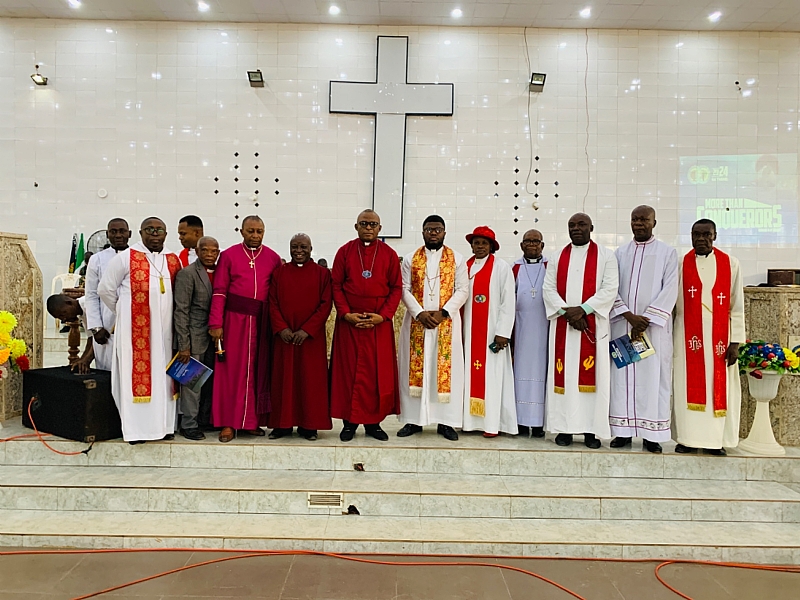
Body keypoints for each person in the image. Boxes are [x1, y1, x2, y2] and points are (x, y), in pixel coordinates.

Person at [98, 217, 182, 444]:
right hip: (136, 334)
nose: (155, 234)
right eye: (150, 230)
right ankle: (137, 432)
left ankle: (165, 427)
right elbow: (105, 290)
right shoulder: (126, 258)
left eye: (160, 230)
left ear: (166, 233)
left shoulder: (173, 259)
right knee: (135, 377)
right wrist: (125, 311)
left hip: (166, 334)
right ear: (141, 232)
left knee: (165, 378)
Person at [542, 213, 618, 448]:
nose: (576, 229)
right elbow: (549, 289)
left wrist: (584, 310)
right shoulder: (557, 257)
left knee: (594, 380)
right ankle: (564, 430)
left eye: (581, 224)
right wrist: (568, 313)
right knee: (563, 379)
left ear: (591, 227)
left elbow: (609, 289)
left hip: (592, 328)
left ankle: (590, 431)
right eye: (572, 225)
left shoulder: (606, 256)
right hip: (564, 327)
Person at [609, 206, 678, 454]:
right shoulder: (619, 254)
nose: (639, 223)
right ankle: (622, 432)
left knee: (653, 379)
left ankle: (652, 435)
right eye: (634, 219)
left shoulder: (667, 253)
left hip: (653, 330)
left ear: (654, 222)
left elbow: (670, 288)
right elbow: (610, 287)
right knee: (622, 379)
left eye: (644, 219)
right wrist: (628, 315)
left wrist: (646, 320)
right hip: (623, 325)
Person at [673, 219, 745, 456]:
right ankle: (686, 438)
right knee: (685, 385)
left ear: (715, 236)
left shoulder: (730, 264)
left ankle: (716, 441)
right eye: (696, 234)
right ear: (690, 235)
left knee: (719, 389)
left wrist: (735, 342)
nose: (701, 239)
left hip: (720, 340)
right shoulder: (680, 264)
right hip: (687, 338)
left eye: (706, 235)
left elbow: (737, 307)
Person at [330, 209, 403, 442]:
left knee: (376, 374)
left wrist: (383, 316)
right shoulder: (344, 252)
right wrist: (346, 314)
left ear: (380, 229)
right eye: (364, 223)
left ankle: (374, 424)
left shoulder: (389, 254)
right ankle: (349, 423)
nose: (368, 227)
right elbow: (336, 286)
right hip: (349, 323)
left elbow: (396, 288)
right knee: (348, 373)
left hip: (378, 324)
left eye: (373, 224)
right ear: (356, 226)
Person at [209, 216, 281, 443]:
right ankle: (228, 423)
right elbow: (220, 290)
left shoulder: (273, 258)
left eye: (260, 231)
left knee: (256, 372)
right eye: (251, 231)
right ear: (241, 231)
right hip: (234, 321)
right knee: (231, 372)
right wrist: (216, 323)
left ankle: (251, 422)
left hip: (261, 322)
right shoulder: (229, 255)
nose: (255, 235)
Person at [397, 215, 469, 441]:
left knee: (446, 371)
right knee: (415, 370)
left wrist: (443, 313)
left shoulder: (457, 258)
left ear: (445, 232)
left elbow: (463, 290)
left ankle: (446, 422)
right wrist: (419, 313)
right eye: (429, 230)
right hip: (417, 322)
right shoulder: (410, 258)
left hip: (445, 323)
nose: (434, 233)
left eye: (438, 229)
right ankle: (413, 420)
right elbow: (404, 288)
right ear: (423, 232)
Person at [268, 234, 333, 440]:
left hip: (310, 339)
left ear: (311, 248)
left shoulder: (322, 274)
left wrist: (307, 330)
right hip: (284, 338)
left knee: (310, 381)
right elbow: (273, 303)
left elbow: (325, 305)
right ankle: (282, 425)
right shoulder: (279, 273)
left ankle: (309, 425)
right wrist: (282, 329)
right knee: (283, 380)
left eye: (303, 247)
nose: (298, 250)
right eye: (294, 247)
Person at [461, 226, 517, 437]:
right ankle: (469, 422)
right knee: (469, 375)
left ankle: (492, 423)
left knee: (492, 377)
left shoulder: (502, 268)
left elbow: (508, 302)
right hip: (468, 331)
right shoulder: (464, 267)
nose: (480, 246)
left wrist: (503, 332)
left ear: (492, 246)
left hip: (492, 332)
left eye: (484, 243)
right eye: (476, 242)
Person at [173, 236, 220, 441]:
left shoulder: (221, 273)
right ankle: (189, 424)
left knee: (211, 382)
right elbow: (181, 311)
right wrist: (184, 345)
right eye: (205, 251)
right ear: (198, 251)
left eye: (214, 251)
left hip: (215, 337)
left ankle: (205, 419)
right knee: (193, 383)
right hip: (194, 337)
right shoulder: (187, 274)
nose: (209, 255)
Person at [512, 229, 549, 438]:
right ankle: (519, 422)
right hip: (521, 329)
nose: (532, 245)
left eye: (536, 241)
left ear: (542, 245)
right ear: (522, 245)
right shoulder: (514, 268)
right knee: (520, 373)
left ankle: (539, 424)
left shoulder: (550, 267)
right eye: (528, 241)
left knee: (542, 372)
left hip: (544, 329)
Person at [84, 218, 132, 370]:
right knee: (107, 371)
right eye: (113, 231)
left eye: (122, 231)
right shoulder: (97, 259)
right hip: (106, 326)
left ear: (129, 234)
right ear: (107, 234)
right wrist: (96, 327)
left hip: (133, 324)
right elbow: (91, 295)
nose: (118, 235)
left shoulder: (138, 257)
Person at [46, 293, 95, 374]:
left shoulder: (89, 305)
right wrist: (82, 361)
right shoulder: (82, 314)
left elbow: (100, 335)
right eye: (60, 318)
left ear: (69, 303)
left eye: (63, 314)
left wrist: (86, 360)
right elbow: (91, 338)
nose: (64, 319)